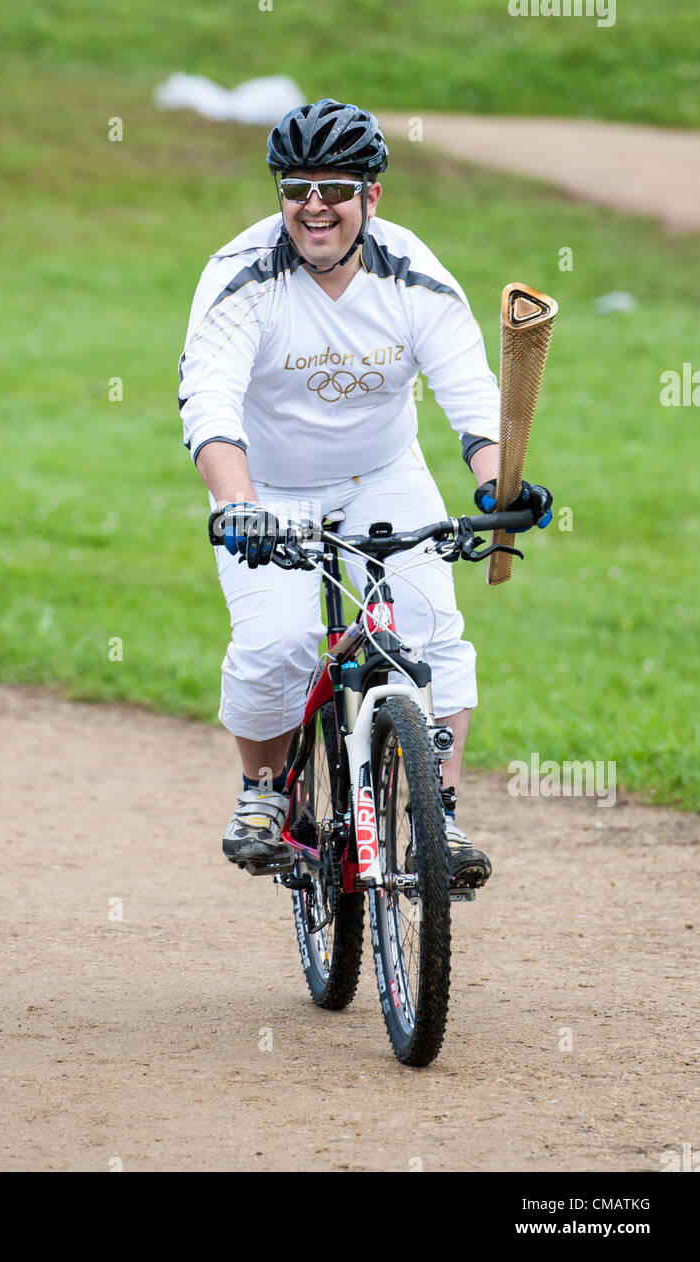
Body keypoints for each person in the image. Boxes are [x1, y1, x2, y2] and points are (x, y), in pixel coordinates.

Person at [178, 98, 551, 887]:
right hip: (266, 488)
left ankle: (438, 819)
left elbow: (472, 392)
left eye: (336, 188)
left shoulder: (411, 273)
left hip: (382, 474)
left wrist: (496, 483)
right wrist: (238, 503)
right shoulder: (241, 276)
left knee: (431, 636)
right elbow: (208, 401)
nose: (314, 206)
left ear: (371, 197)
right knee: (275, 646)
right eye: (296, 187)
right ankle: (263, 791)